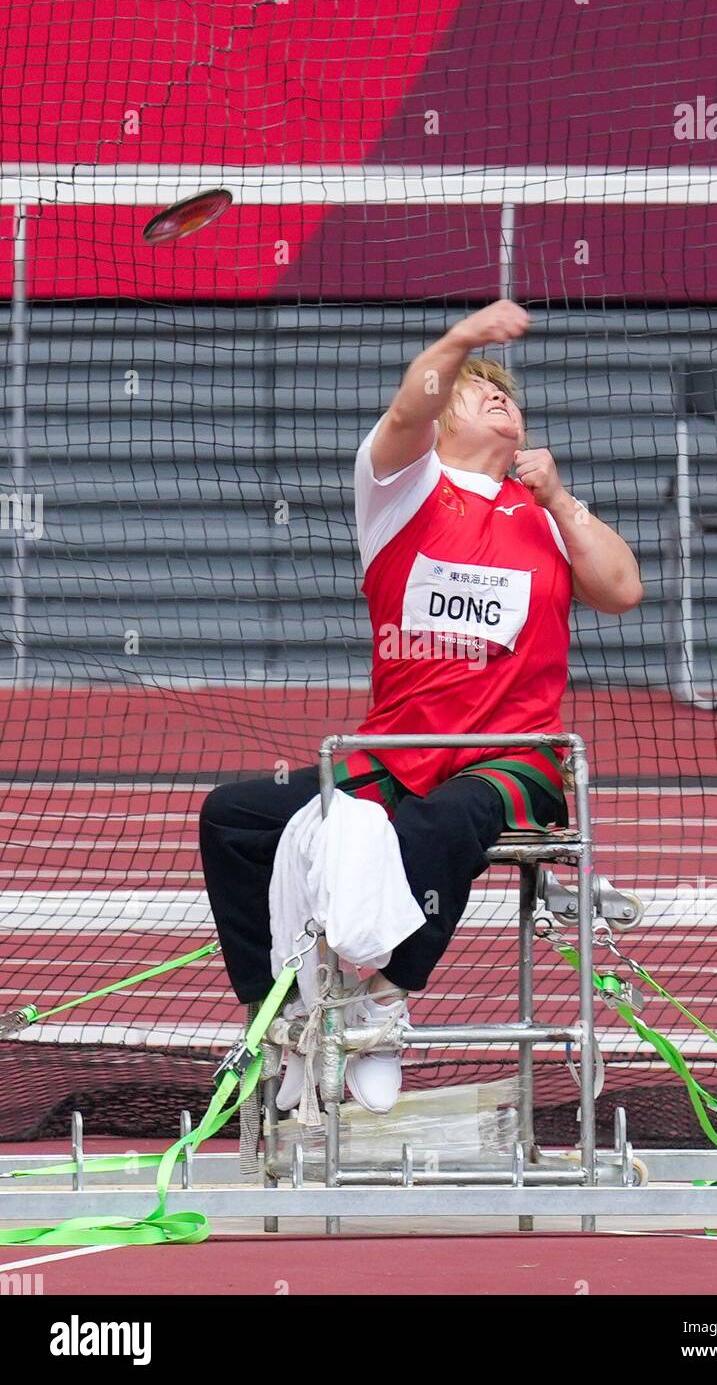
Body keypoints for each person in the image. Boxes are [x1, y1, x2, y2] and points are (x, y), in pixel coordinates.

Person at [200, 301, 643, 1114]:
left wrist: (561, 498)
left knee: (437, 827)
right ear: (444, 417)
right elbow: (411, 405)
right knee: (234, 817)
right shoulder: (401, 487)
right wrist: (466, 340)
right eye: (480, 392)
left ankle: (386, 1002)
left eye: (509, 395)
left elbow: (622, 589)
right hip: (397, 746)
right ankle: (281, 1015)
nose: (501, 401)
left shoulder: (540, 515)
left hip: (512, 752)